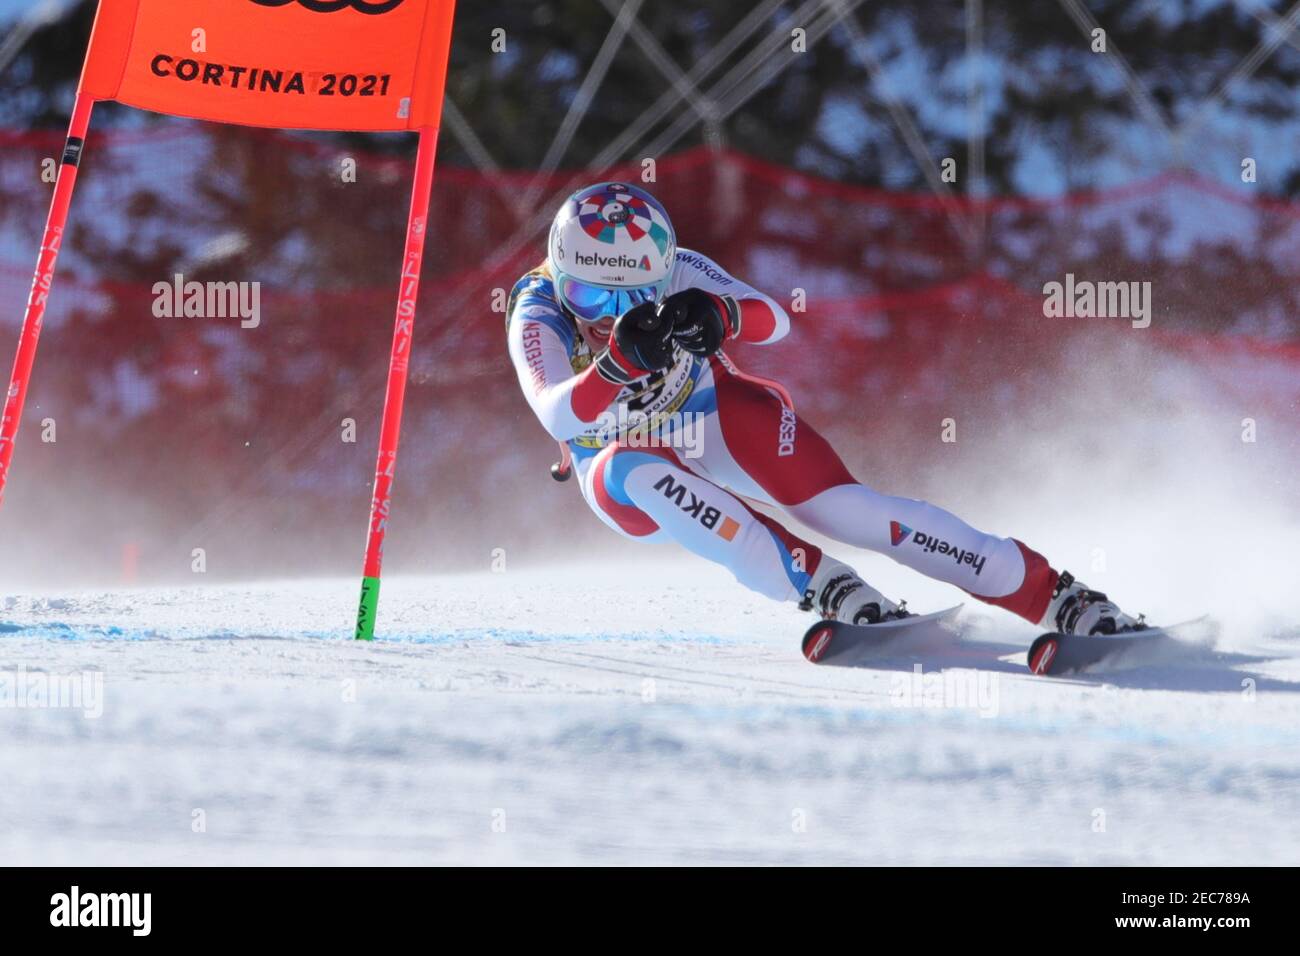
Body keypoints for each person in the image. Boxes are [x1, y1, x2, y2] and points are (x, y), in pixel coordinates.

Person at [505, 181, 1141, 637]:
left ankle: (1049, 593)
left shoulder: (680, 270)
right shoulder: (537, 312)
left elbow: (774, 320)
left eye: (634, 295)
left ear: (662, 275)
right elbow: (560, 416)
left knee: (846, 508)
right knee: (637, 466)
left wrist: (721, 314)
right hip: (614, 464)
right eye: (587, 295)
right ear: (560, 278)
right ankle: (819, 583)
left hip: (705, 414)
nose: (609, 317)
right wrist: (616, 364)